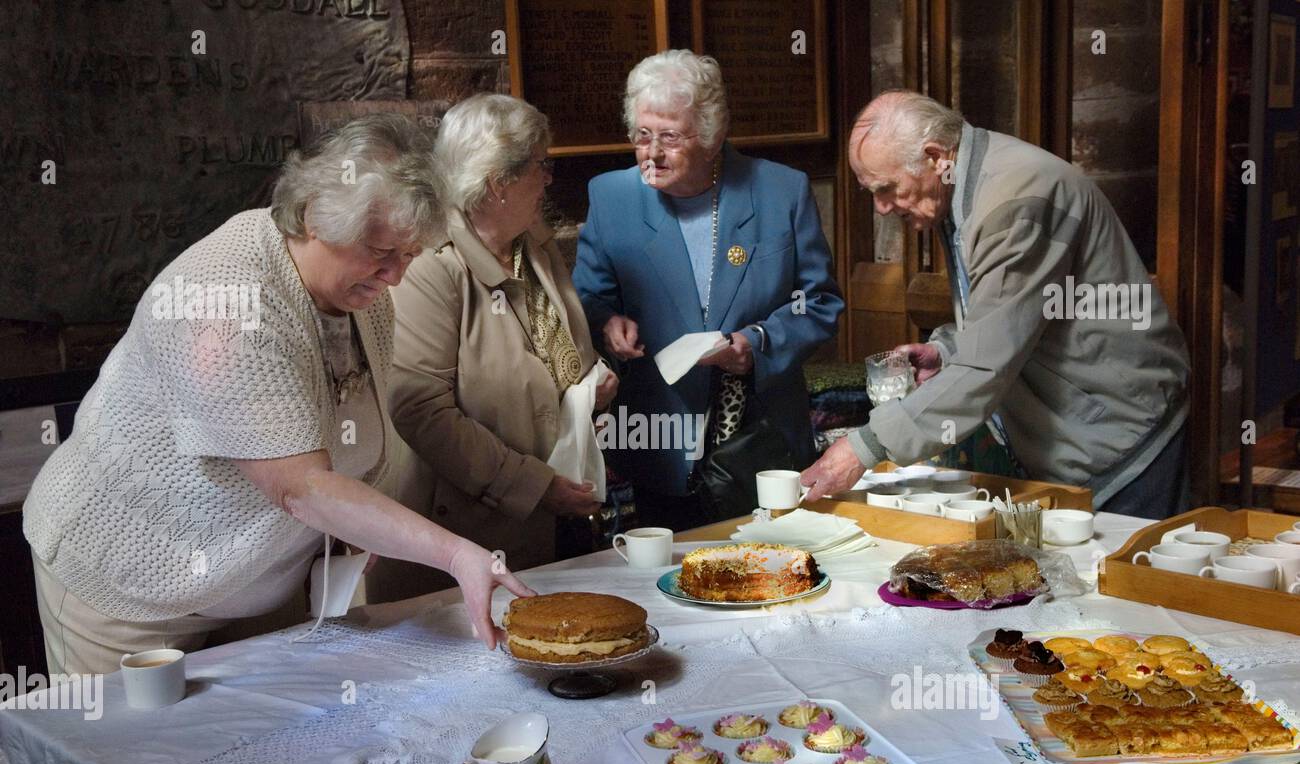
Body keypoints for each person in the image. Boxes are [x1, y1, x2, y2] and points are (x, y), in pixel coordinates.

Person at [23, 114, 531, 674]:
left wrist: (355, 529)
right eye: (380, 251)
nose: (395, 278)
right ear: (315, 214)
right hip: (130, 586)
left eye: (409, 256)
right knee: (128, 756)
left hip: (256, 581)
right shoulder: (220, 298)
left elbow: (349, 432)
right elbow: (301, 487)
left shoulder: (364, 300)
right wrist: (456, 553)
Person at [801, 91, 1191, 518]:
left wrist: (863, 447)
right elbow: (1011, 315)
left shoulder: (1015, 201)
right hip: (1081, 432)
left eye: (887, 189)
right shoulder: (965, 181)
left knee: (1125, 581)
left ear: (934, 157)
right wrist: (947, 350)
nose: (881, 207)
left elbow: (986, 364)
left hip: (1123, 434)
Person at [574, 49, 842, 530]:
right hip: (658, 436)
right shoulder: (611, 196)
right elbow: (590, 298)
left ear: (714, 134)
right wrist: (606, 322)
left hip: (762, 434)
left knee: (781, 574)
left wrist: (756, 344)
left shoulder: (780, 192)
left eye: (670, 137)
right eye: (642, 135)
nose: (651, 154)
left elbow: (819, 301)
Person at [369, 94, 617, 602]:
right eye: (540, 167)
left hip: (554, 524)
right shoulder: (431, 265)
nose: (549, 179)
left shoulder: (533, 244)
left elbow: (558, 355)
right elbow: (420, 409)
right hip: (467, 542)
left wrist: (593, 385)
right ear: (497, 183)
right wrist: (536, 486)